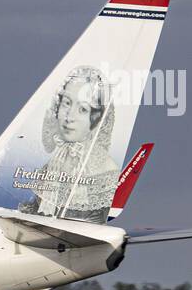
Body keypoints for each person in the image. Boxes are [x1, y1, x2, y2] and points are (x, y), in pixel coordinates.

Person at [18, 66, 119, 224]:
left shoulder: (105, 170)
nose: (69, 116)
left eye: (82, 109)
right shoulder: (53, 163)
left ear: (96, 118)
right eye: (66, 103)